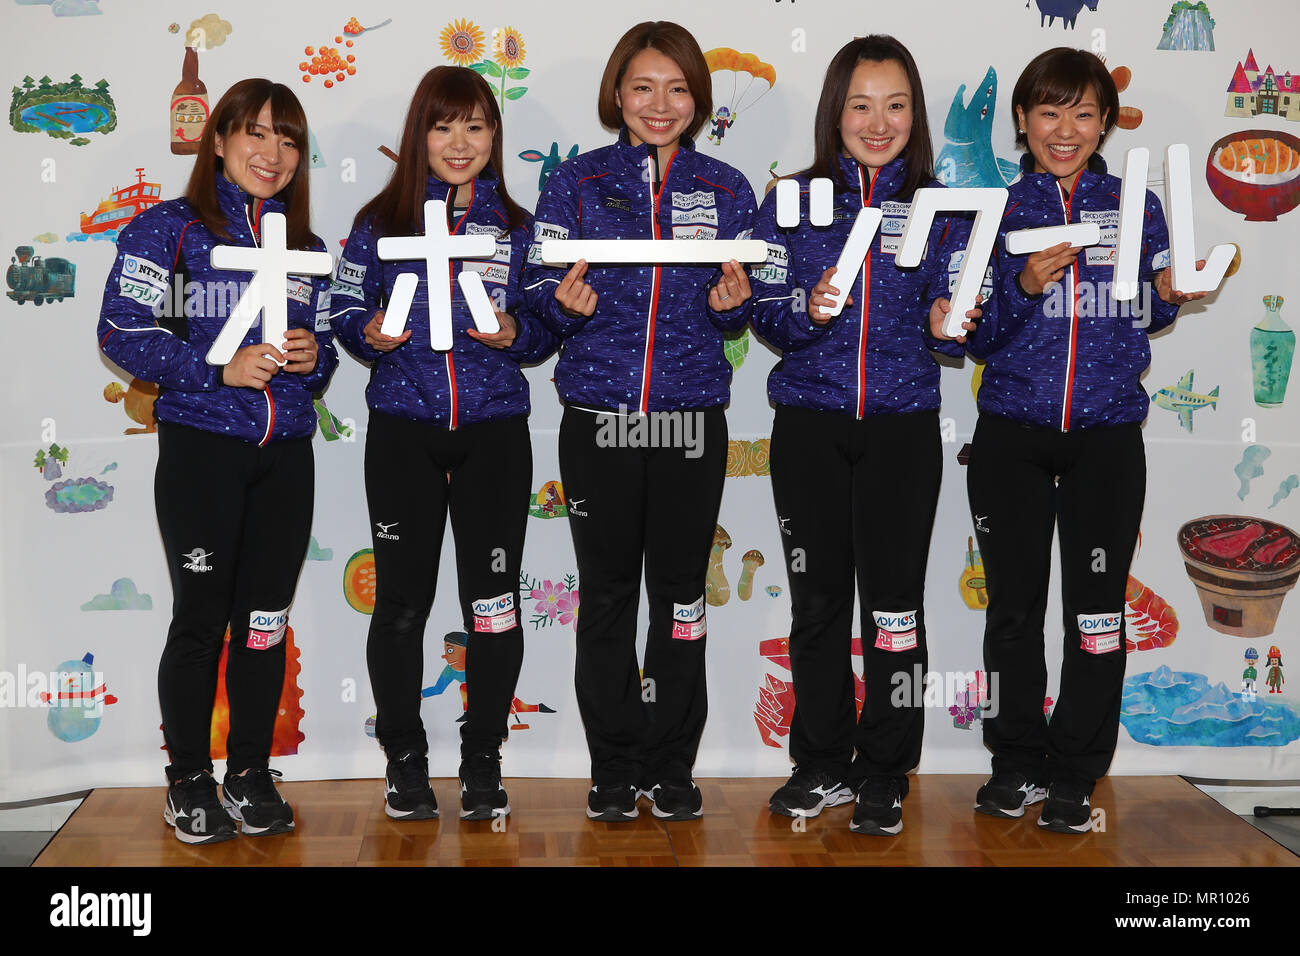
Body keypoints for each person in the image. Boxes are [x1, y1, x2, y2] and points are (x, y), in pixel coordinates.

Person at [964, 47, 1206, 833]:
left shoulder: (1137, 204)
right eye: (1048, 111)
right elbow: (977, 337)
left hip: (1106, 439)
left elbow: (1148, 313)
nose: (1064, 129)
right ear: (1024, 121)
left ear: (1105, 122)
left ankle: (1075, 772)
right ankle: (1015, 762)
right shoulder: (996, 212)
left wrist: (1166, 298)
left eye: (1083, 113)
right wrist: (1026, 285)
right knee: (1013, 611)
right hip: (1011, 437)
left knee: (1097, 615)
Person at [523, 20, 756, 822]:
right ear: (617, 92)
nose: (661, 105)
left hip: (691, 419)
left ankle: (672, 763)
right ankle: (615, 765)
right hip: (600, 418)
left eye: (679, 88)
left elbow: (738, 308)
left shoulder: (728, 189)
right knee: (610, 597)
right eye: (644, 87)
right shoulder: (577, 184)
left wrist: (734, 311)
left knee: (683, 596)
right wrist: (558, 307)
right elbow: (533, 297)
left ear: (698, 97)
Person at [98, 78, 337, 844]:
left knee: (265, 622)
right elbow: (122, 331)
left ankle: (249, 772)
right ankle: (189, 781)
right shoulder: (167, 229)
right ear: (221, 139)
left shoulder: (306, 248)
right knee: (203, 620)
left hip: (286, 454)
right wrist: (217, 368)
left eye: (289, 139)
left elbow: (324, 347)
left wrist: (311, 356)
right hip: (203, 448)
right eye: (257, 134)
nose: (273, 153)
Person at [748, 35, 977, 836]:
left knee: (894, 612)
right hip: (808, 427)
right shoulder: (788, 200)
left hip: (903, 431)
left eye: (895, 105)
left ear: (913, 115)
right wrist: (803, 312)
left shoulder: (943, 210)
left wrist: (950, 326)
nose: (877, 123)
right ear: (833, 113)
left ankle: (885, 770)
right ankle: (819, 764)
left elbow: (955, 332)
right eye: (860, 104)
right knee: (816, 608)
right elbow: (759, 309)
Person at [332, 66, 557, 822]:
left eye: (476, 126)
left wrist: (517, 332)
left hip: (494, 433)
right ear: (418, 135)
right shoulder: (378, 223)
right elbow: (342, 309)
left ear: (495, 135)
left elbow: (545, 325)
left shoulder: (520, 229)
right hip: (403, 431)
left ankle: (484, 755)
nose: (460, 143)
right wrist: (365, 331)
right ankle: (403, 757)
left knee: (493, 606)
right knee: (400, 606)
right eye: (443, 125)